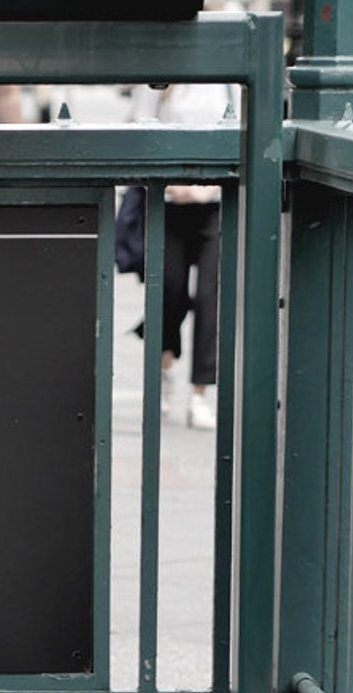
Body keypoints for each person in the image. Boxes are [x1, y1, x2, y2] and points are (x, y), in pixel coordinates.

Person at [128, 78, 237, 431]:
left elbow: (244, 139)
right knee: (168, 291)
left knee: (210, 296)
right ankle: (164, 371)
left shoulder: (229, 79)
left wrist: (207, 191)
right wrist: (166, 181)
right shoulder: (159, 79)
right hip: (168, 201)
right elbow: (140, 131)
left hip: (215, 203)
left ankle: (199, 395)